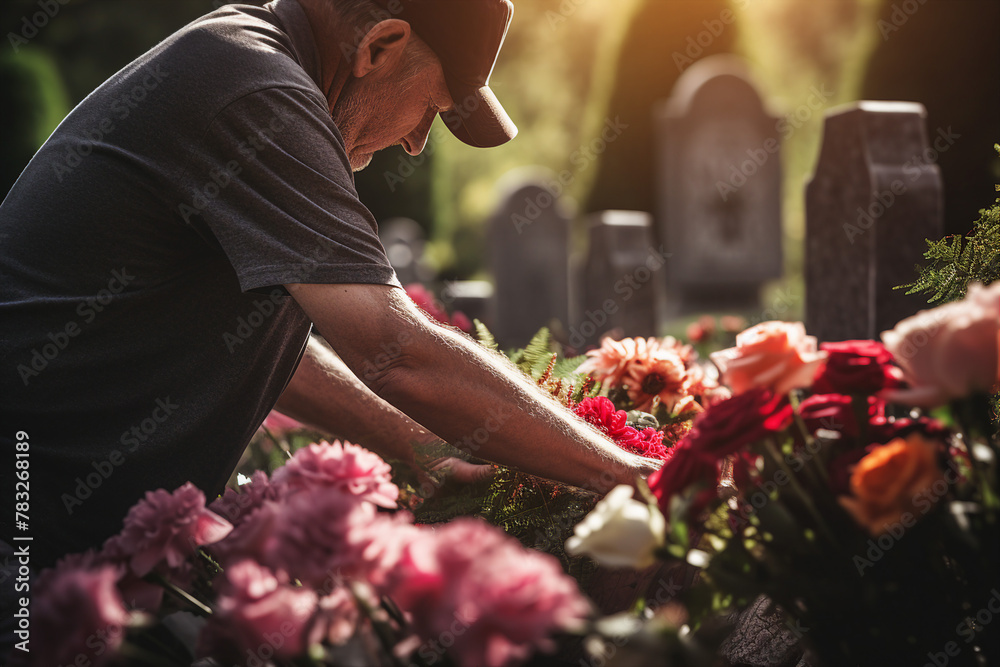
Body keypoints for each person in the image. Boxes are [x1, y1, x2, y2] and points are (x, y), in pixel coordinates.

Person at [0, 0, 659, 585]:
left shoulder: (245, 60)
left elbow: (271, 350)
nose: (414, 140)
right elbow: (396, 349)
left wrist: (412, 439)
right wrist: (633, 477)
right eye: (430, 107)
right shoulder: (256, 90)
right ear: (380, 47)